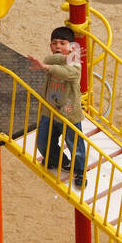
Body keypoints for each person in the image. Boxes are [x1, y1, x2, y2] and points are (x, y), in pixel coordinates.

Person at [29, 27, 87, 190]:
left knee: (75, 145)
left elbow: (70, 73)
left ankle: (80, 171)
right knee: (43, 142)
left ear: (72, 47)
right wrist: (61, 57)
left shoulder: (75, 64)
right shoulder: (53, 59)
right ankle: (60, 160)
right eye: (54, 43)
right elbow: (48, 59)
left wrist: (50, 66)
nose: (58, 46)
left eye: (62, 43)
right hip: (50, 111)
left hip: (68, 114)